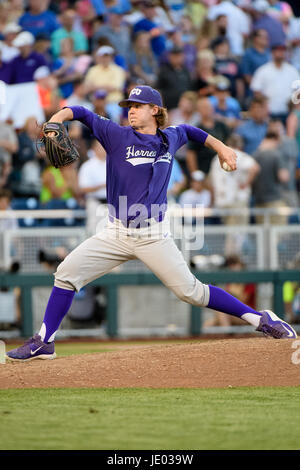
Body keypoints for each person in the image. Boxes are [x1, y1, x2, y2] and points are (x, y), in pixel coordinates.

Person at [6, 84, 297, 361]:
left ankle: (261, 319)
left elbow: (192, 131)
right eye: (129, 106)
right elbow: (80, 112)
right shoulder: (115, 134)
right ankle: (45, 341)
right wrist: (56, 119)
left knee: (190, 292)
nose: (131, 110)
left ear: (155, 110)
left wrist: (221, 147)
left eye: (137, 105)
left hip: (153, 235)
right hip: (116, 232)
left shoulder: (171, 137)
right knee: (66, 273)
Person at [250, 42, 299, 124]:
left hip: (289, 113)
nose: (280, 53)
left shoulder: (292, 71)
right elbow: (256, 92)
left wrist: (294, 106)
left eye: (283, 51)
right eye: (278, 51)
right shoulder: (263, 70)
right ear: (272, 52)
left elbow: (298, 92)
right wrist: (263, 109)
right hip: (269, 114)